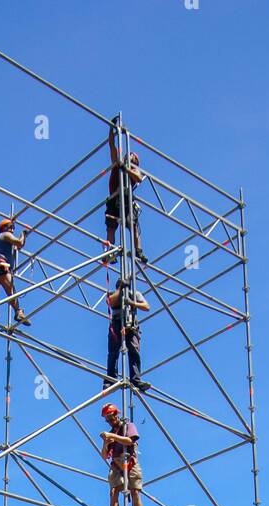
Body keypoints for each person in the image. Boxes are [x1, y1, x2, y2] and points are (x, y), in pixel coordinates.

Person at [99, 402, 148, 506]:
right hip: (116, 464)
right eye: (107, 419)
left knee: (135, 491)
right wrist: (106, 443)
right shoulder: (111, 433)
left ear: (116, 415)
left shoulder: (128, 426)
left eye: (111, 418)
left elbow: (130, 441)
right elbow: (104, 456)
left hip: (130, 462)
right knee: (114, 491)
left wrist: (113, 437)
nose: (109, 421)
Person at [105, 119, 146, 264]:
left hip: (127, 201)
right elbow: (111, 145)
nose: (132, 157)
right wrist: (112, 129)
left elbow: (139, 178)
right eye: (131, 155)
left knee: (133, 226)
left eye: (134, 158)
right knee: (111, 227)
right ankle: (110, 252)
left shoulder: (134, 172)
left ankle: (139, 252)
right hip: (114, 199)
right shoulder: (117, 163)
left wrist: (127, 169)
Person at [0, 218, 31, 329]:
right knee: (11, 292)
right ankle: (18, 312)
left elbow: (17, 247)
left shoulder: (1, 240)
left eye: (13, 227)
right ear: (4, 228)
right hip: (2, 266)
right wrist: (23, 235)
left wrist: (22, 239)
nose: (12, 229)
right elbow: (19, 243)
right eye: (10, 227)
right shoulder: (5, 235)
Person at [105, 279, 149, 391]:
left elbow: (146, 307)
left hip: (131, 325)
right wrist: (120, 290)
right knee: (113, 352)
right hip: (116, 323)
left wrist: (132, 303)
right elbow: (110, 302)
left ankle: (136, 381)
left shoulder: (134, 294)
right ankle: (110, 380)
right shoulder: (113, 294)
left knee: (134, 352)